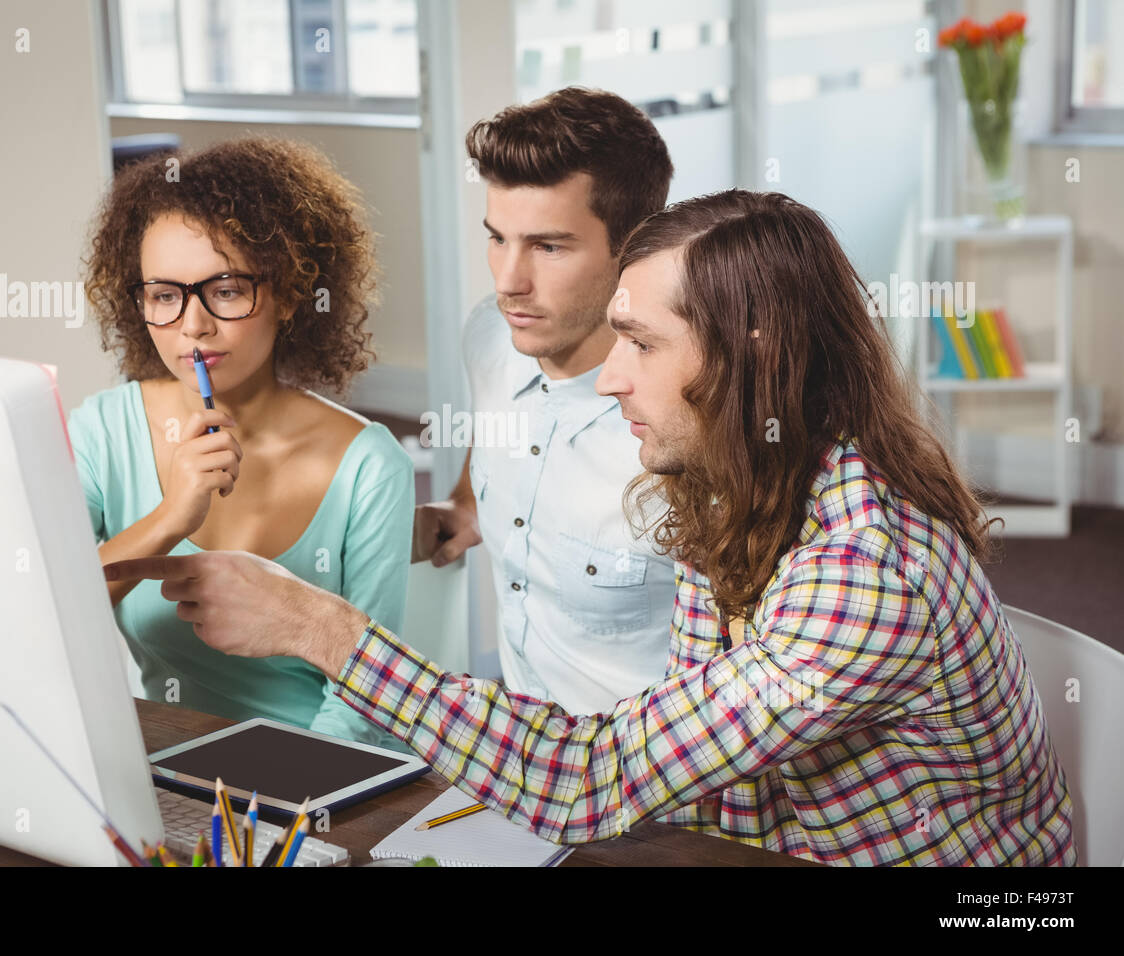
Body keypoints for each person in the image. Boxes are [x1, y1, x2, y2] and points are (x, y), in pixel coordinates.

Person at [103, 190, 1076, 865]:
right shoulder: (725, 482)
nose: (609, 377)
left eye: (643, 344)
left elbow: (595, 775)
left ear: (753, 356)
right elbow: (661, 755)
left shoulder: (860, 571)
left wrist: (317, 627)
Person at [70, 136, 413, 749]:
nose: (193, 325)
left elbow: (368, 697)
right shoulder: (101, 430)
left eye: (225, 290)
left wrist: (286, 812)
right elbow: (50, 620)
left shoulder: (369, 464)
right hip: (164, 760)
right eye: (164, 296)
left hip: (322, 781)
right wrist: (170, 516)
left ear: (286, 293)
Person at [413, 87, 679, 713]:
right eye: (497, 239)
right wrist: (468, 502)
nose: (508, 282)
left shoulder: (689, 428)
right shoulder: (490, 334)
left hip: (653, 791)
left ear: (633, 247)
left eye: (549, 246)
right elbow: (495, 422)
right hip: (518, 759)